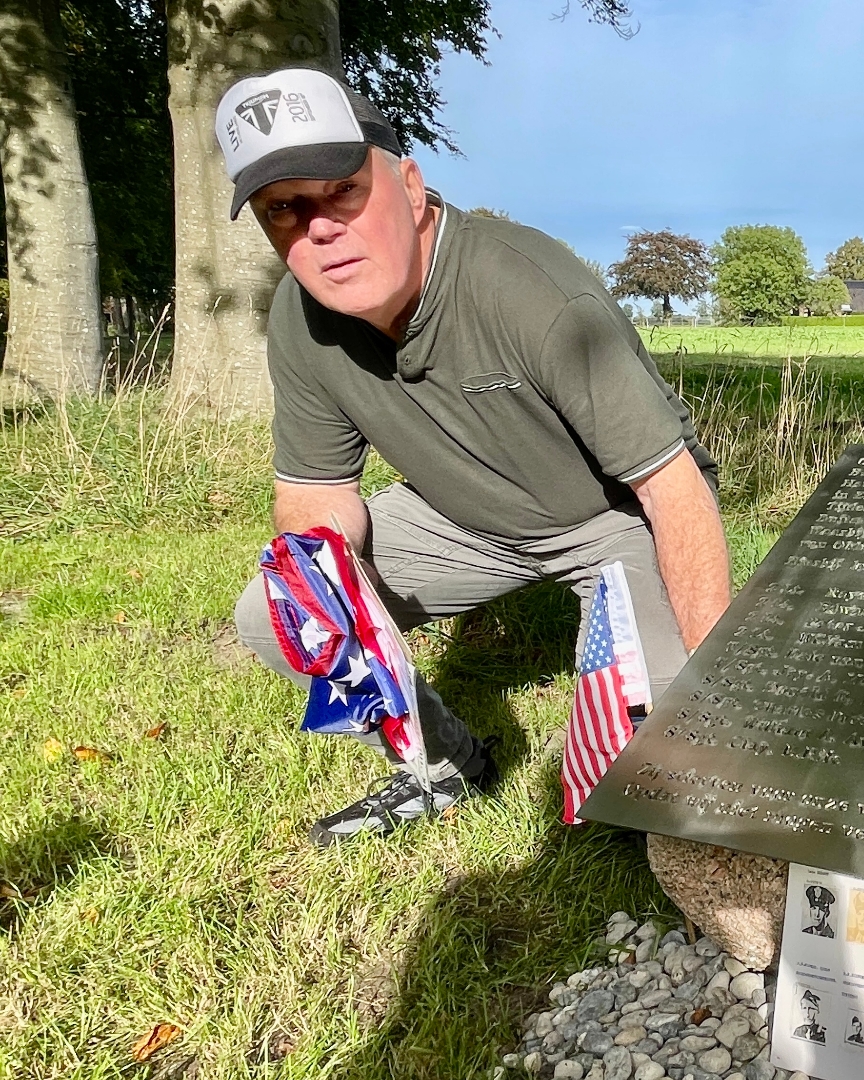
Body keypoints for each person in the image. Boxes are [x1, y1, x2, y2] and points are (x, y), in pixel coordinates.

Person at [216, 67, 730, 846]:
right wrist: (331, 598)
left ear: (410, 186)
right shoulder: (303, 316)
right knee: (278, 615)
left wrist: (718, 694)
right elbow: (317, 493)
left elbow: (672, 488)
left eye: (343, 191)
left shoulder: (531, 294)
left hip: (608, 517)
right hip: (459, 519)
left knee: (663, 742)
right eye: (283, 210)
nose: (319, 229)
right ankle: (444, 764)